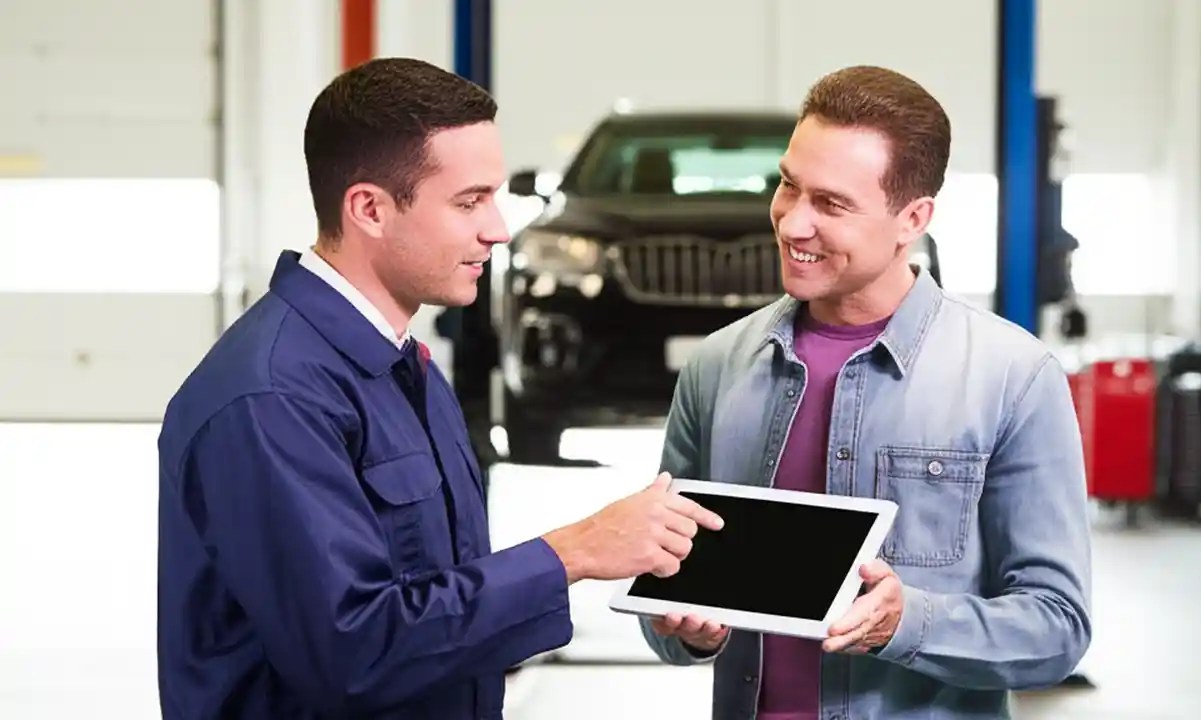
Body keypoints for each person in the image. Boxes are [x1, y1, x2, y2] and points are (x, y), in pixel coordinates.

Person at [156, 57, 723, 720]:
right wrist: (577, 550)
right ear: (369, 208)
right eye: (468, 201)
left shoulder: (407, 369)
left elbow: (440, 599)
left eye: (496, 196)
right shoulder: (271, 400)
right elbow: (356, 654)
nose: (499, 229)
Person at [640, 65, 1092, 719]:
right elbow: (665, 588)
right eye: (788, 187)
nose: (792, 224)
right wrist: (682, 628)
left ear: (913, 218)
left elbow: (1058, 627)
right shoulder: (717, 367)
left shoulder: (1011, 378)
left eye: (831, 204)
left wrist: (910, 624)